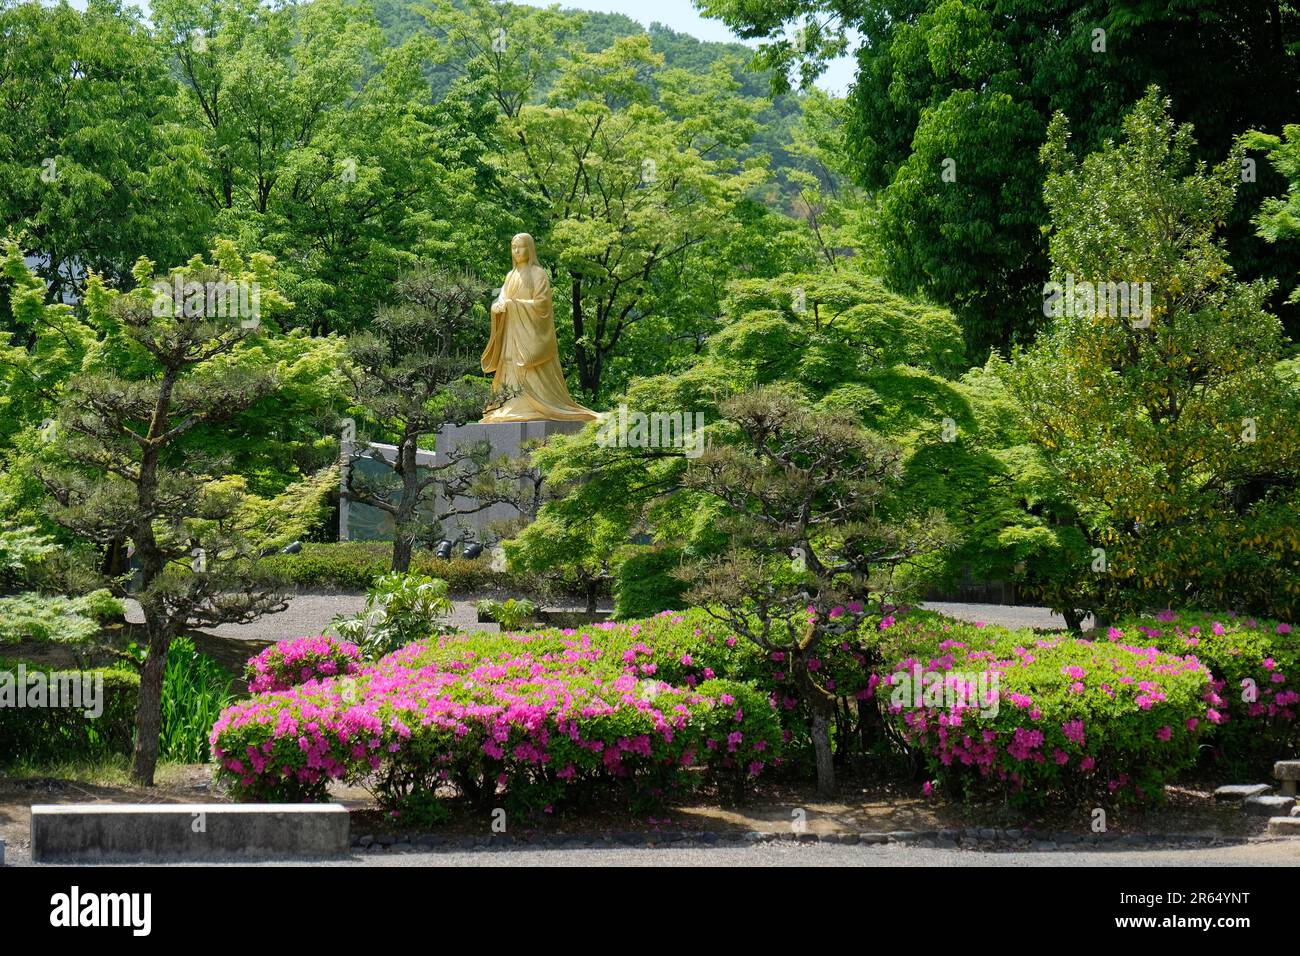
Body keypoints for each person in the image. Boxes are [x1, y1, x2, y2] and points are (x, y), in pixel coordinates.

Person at [480, 233, 599, 423]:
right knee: (509, 368)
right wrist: (497, 307)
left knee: (529, 371)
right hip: (511, 335)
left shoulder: (538, 274)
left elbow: (542, 305)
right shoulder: (510, 276)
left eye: (521, 247)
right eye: (513, 247)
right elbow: (502, 299)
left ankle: (533, 405)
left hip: (529, 337)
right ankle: (510, 404)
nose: (517, 251)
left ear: (530, 249)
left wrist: (513, 305)